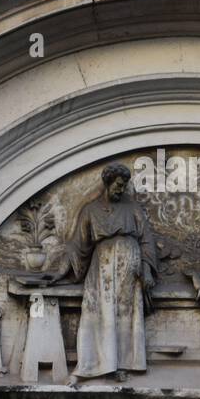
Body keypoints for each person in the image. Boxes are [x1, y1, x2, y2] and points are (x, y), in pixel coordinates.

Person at [43, 163, 157, 383]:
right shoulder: (90, 210)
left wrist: (147, 270)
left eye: (123, 186)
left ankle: (122, 364)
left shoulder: (133, 209)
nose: (120, 189)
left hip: (129, 268)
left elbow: (147, 240)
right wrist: (60, 272)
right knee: (97, 313)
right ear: (107, 183)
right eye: (117, 185)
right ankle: (92, 364)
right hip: (102, 266)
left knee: (125, 315)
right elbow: (78, 245)